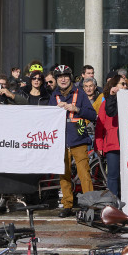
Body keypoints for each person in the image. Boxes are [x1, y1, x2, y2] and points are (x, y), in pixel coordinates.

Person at [45, 64, 96, 217]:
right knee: (64, 174)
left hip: (78, 140)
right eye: (60, 77)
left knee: (84, 174)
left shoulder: (79, 94)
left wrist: (77, 109)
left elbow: (93, 115)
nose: (63, 79)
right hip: (61, 142)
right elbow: (47, 119)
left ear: (70, 77)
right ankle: (67, 205)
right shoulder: (54, 97)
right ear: (56, 79)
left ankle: (90, 205)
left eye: (66, 76)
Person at [96, 73, 125, 197]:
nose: (125, 86)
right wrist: (99, 145)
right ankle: (112, 202)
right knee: (113, 176)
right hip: (112, 144)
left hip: (126, 144)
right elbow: (100, 125)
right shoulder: (105, 103)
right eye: (122, 84)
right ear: (114, 86)